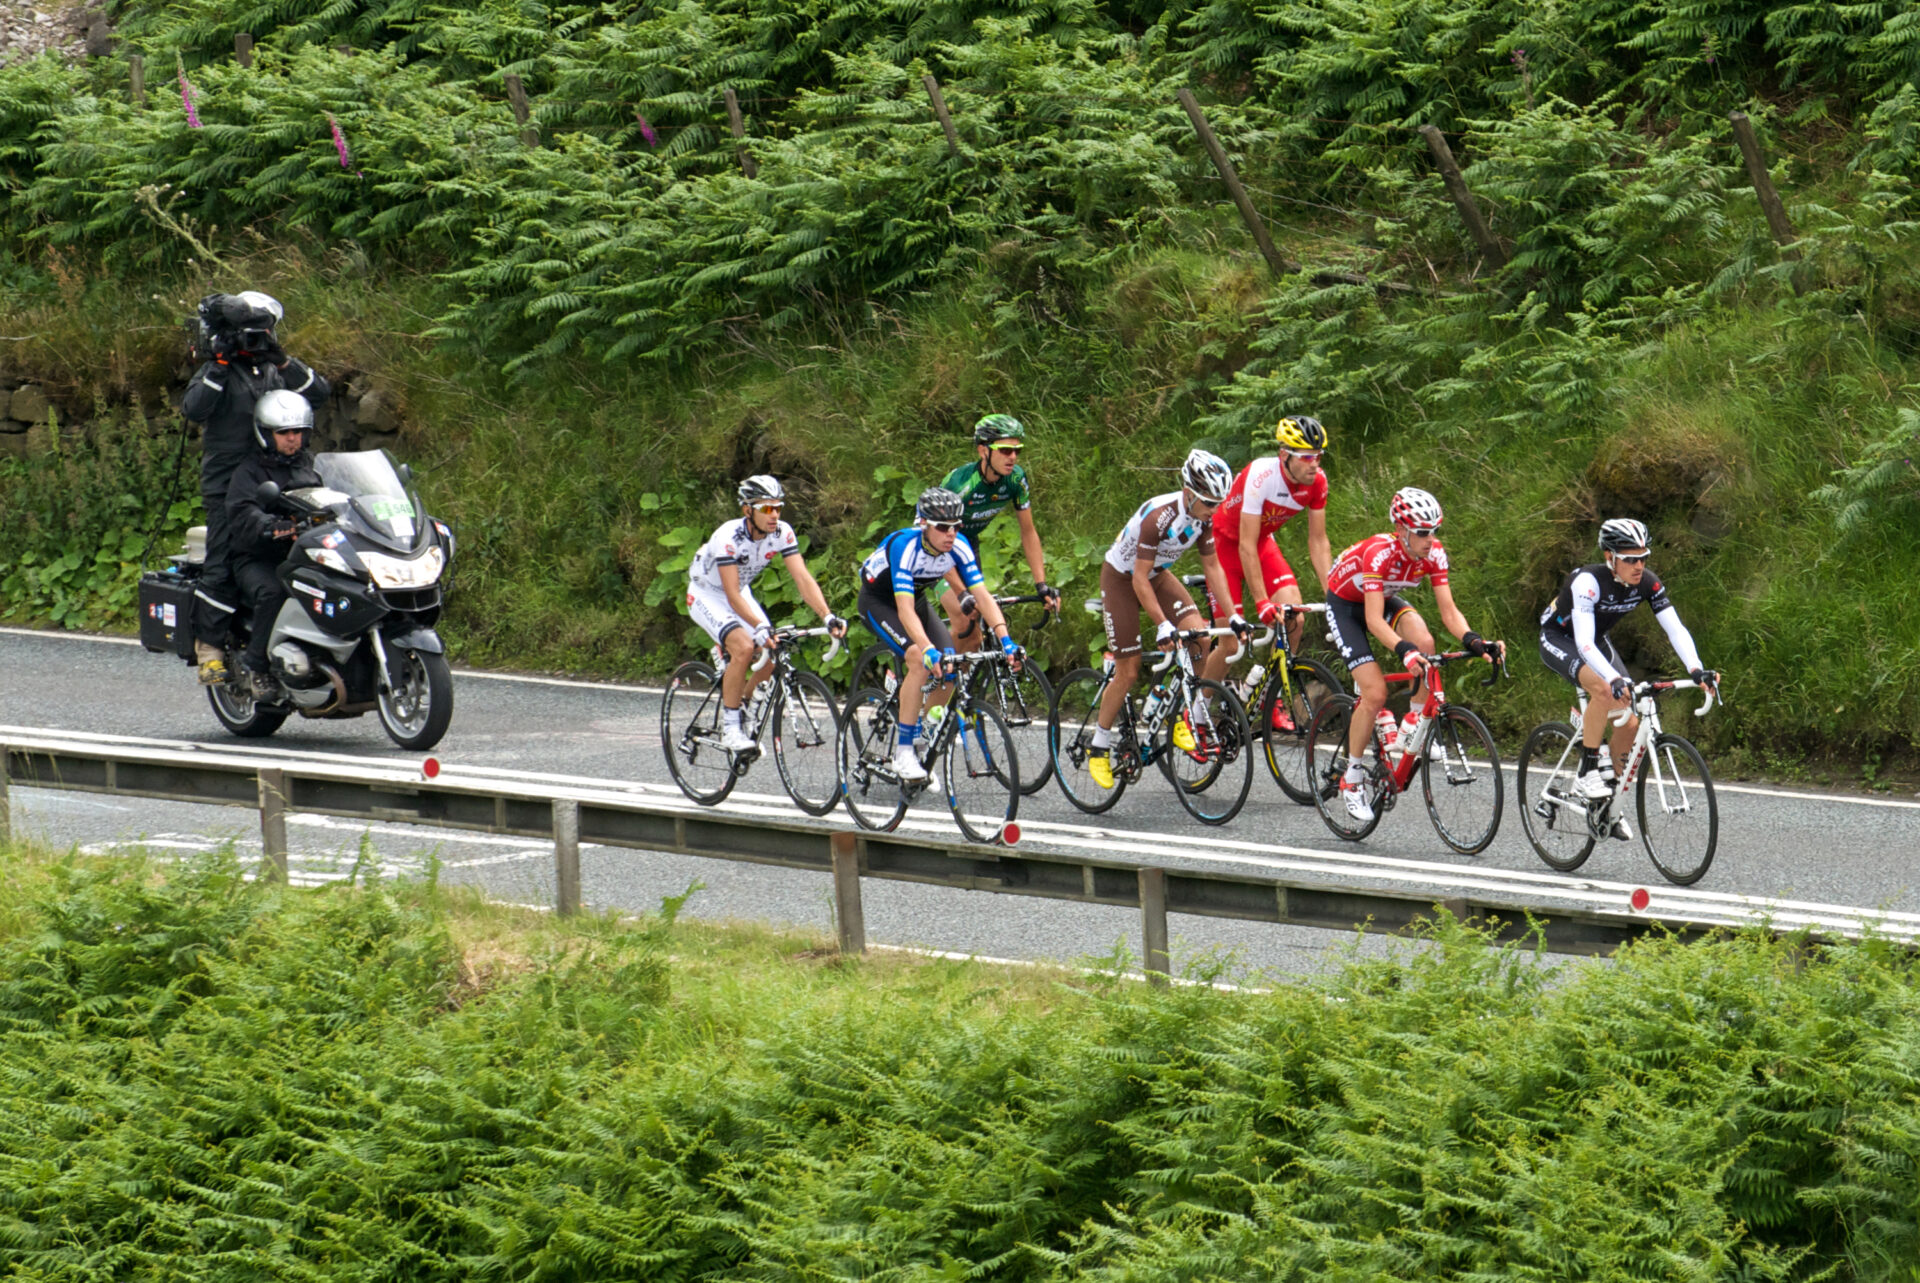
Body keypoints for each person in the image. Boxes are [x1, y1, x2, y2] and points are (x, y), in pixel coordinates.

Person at [1324, 487, 1504, 824]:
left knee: (1427, 643)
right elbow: (1373, 620)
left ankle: (1410, 727)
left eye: (1434, 530)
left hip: (1383, 596)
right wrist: (1404, 652)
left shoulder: (1434, 554)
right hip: (1346, 604)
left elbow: (1449, 612)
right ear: (1402, 530)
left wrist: (1475, 642)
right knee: (1375, 692)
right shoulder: (1380, 553)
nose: (1430, 539)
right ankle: (1352, 776)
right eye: (1423, 532)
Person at [1538, 518, 1718, 839]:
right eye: (1630, 559)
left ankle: (1609, 804)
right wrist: (1613, 678)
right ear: (1610, 557)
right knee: (1605, 690)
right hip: (1562, 637)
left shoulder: (1647, 583)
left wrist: (1696, 668)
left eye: (1643, 557)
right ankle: (1587, 771)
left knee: (1630, 723)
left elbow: (1674, 628)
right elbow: (1584, 644)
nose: (1639, 566)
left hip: (1596, 638)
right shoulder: (1587, 582)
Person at [184, 291, 330, 684]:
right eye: (251, 335)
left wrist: (280, 358)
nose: (256, 341)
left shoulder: (271, 369)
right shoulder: (220, 369)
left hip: (280, 474)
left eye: (263, 334)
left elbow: (320, 394)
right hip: (228, 479)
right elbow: (194, 410)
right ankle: (210, 650)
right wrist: (219, 362)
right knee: (222, 563)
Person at [1085, 448, 1242, 790]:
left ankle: (1183, 714)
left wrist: (1233, 616)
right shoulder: (1160, 516)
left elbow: (1213, 568)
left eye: (1218, 502)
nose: (1214, 510)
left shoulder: (1203, 517)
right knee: (1128, 670)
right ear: (1189, 492)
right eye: (1209, 502)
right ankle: (1098, 744)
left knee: (1200, 636)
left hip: (1158, 575)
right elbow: (1138, 579)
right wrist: (1161, 624)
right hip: (1123, 580)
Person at [858, 487, 1024, 782]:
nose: (952, 533)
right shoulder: (905, 546)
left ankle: (923, 729)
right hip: (879, 601)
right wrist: (925, 648)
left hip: (916, 599)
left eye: (957, 526)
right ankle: (904, 752)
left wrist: (1006, 640)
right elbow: (904, 610)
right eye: (943, 527)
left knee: (950, 662)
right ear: (924, 524)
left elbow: (982, 595)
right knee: (918, 658)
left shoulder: (957, 546)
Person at [685, 476, 848, 753]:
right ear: (747, 510)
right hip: (708, 594)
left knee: (772, 649)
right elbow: (731, 595)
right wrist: (759, 625)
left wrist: (827, 616)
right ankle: (730, 727)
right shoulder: (728, 537)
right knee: (744, 647)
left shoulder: (782, 533)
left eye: (778, 508)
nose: (774, 515)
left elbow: (802, 578)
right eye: (766, 509)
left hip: (739, 591)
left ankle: (744, 708)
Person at [1199, 414, 1333, 730]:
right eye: (1307, 457)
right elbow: (1244, 545)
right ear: (1284, 455)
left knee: (1295, 618)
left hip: (1261, 543)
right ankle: (1197, 711)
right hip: (1225, 546)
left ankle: (1268, 699)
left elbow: (1318, 541)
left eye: (1319, 456)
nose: (1315, 464)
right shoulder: (1261, 476)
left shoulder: (1318, 483)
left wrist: (1334, 595)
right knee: (1231, 644)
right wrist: (1261, 602)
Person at [224, 391, 325, 700]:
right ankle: (256, 666)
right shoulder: (250, 471)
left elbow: (332, 495)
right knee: (274, 590)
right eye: (284, 433)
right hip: (257, 556)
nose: (292, 439)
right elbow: (242, 514)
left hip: (301, 552)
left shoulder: (308, 465)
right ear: (266, 433)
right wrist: (270, 526)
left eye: (297, 432)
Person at [937, 414, 1060, 649]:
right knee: (965, 620)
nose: (1012, 457)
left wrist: (1041, 585)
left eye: (1017, 451)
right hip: (936, 550)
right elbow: (935, 538)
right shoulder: (961, 484)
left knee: (976, 637)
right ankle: (934, 672)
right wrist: (961, 592)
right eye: (1005, 450)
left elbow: (1028, 532)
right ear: (983, 451)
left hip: (967, 547)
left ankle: (961, 682)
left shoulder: (1015, 478)